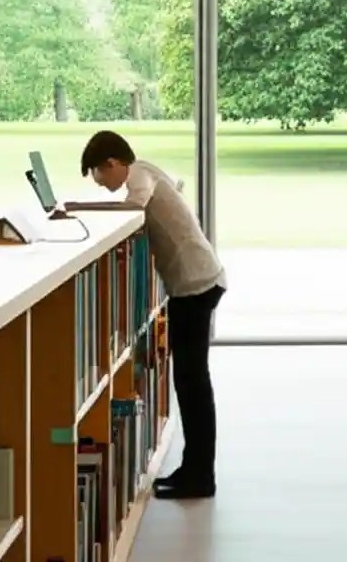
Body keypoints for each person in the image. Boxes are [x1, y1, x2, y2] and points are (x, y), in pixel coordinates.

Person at [65, 130, 227, 499]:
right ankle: (194, 469)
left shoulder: (139, 173)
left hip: (196, 284)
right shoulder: (148, 172)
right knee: (189, 384)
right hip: (196, 283)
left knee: (192, 386)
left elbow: (134, 207)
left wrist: (79, 207)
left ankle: (200, 476)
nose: (100, 182)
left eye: (98, 174)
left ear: (113, 163)